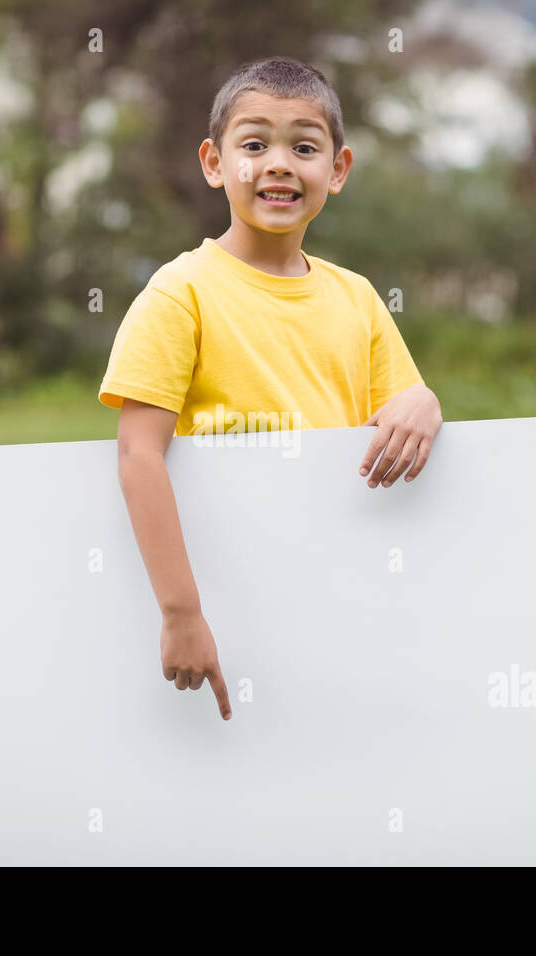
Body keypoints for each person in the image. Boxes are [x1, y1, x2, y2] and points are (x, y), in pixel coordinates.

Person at [97, 56, 443, 722]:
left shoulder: (360, 299)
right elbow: (139, 454)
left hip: (342, 596)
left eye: (304, 147)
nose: (279, 164)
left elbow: (400, 415)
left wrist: (424, 402)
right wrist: (181, 612)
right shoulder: (181, 293)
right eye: (254, 144)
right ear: (214, 163)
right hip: (229, 598)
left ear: (337, 170)